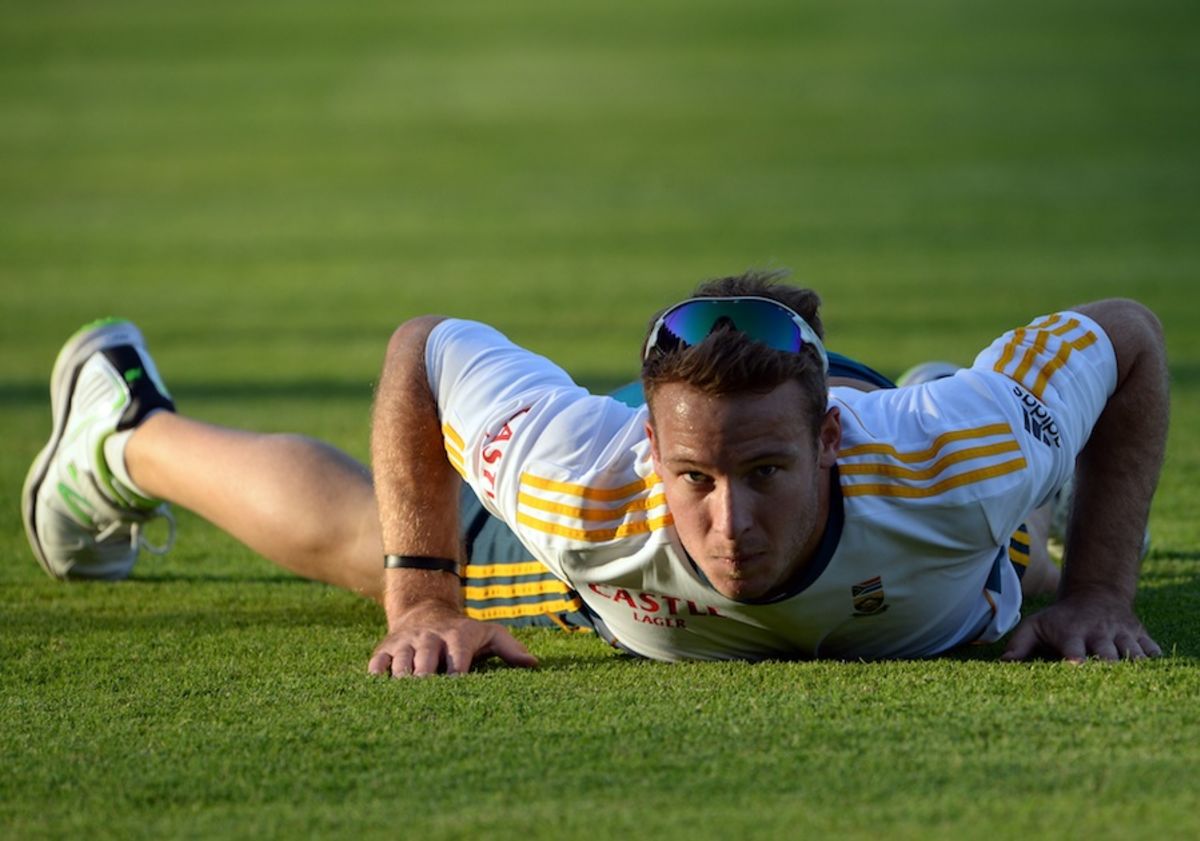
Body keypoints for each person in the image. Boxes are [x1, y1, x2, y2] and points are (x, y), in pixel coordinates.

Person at [22, 272, 1166, 676]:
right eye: (700, 482)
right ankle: (120, 426)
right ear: (653, 455)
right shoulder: (583, 486)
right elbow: (424, 346)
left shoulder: (960, 458)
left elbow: (1127, 335)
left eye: (763, 473)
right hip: (627, 549)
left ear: (825, 443)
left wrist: (1103, 593)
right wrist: (422, 595)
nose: (732, 523)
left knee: (1014, 535)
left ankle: (907, 427)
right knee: (368, 543)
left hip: (921, 463)